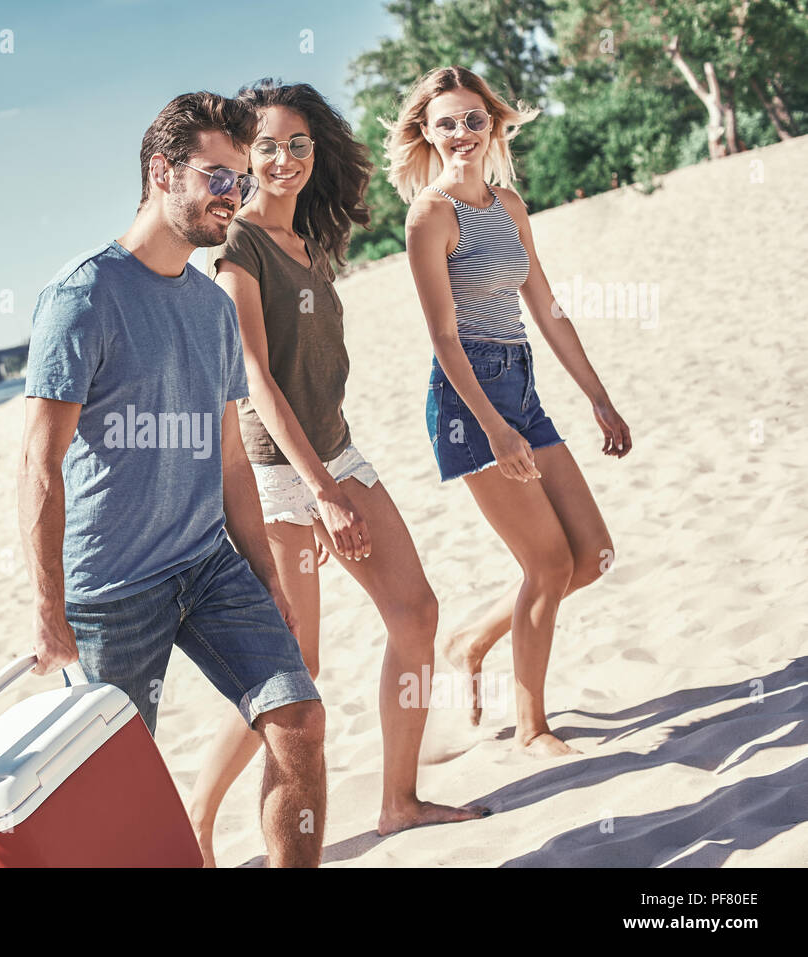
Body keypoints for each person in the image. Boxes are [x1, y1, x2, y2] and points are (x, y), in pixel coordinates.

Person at [18, 92, 327, 867]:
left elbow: (230, 459)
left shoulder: (211, 304)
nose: (238, 197)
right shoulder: (83, 296)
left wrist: (267, 579)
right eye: (220, 179)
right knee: (115, 797)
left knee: (297, 718)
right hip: (111, 590)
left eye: (242, 184)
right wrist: (48, 608)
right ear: (163, 173)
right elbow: (38, 464)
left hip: (207, 564)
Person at [189, 79, 486, 866]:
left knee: (415, 611)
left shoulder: (307, 244)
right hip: (280, 472)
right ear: (242, 158)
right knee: (292, 666)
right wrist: (320, 492)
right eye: (265, 146)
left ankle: (397, 800)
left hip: (338, 448)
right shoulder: (239, 246)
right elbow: (254, 374)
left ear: (315, 151)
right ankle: (194, 820)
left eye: (298, 144)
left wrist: (333, 474)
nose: (283, 159)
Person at [390, 67, 631, 755]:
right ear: (426, 134)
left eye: (473, 120)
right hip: (470, 399)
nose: (462, 133)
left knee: (593, 554)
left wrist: (597, 394)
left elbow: (545, 307)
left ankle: (473, 639)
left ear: (493, 124)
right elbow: (442, 333)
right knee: (549, 564)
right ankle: (532, 728)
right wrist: (495, 429)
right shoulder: (429, 215)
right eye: (446, 123)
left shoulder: (510, 204)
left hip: (520, 383)